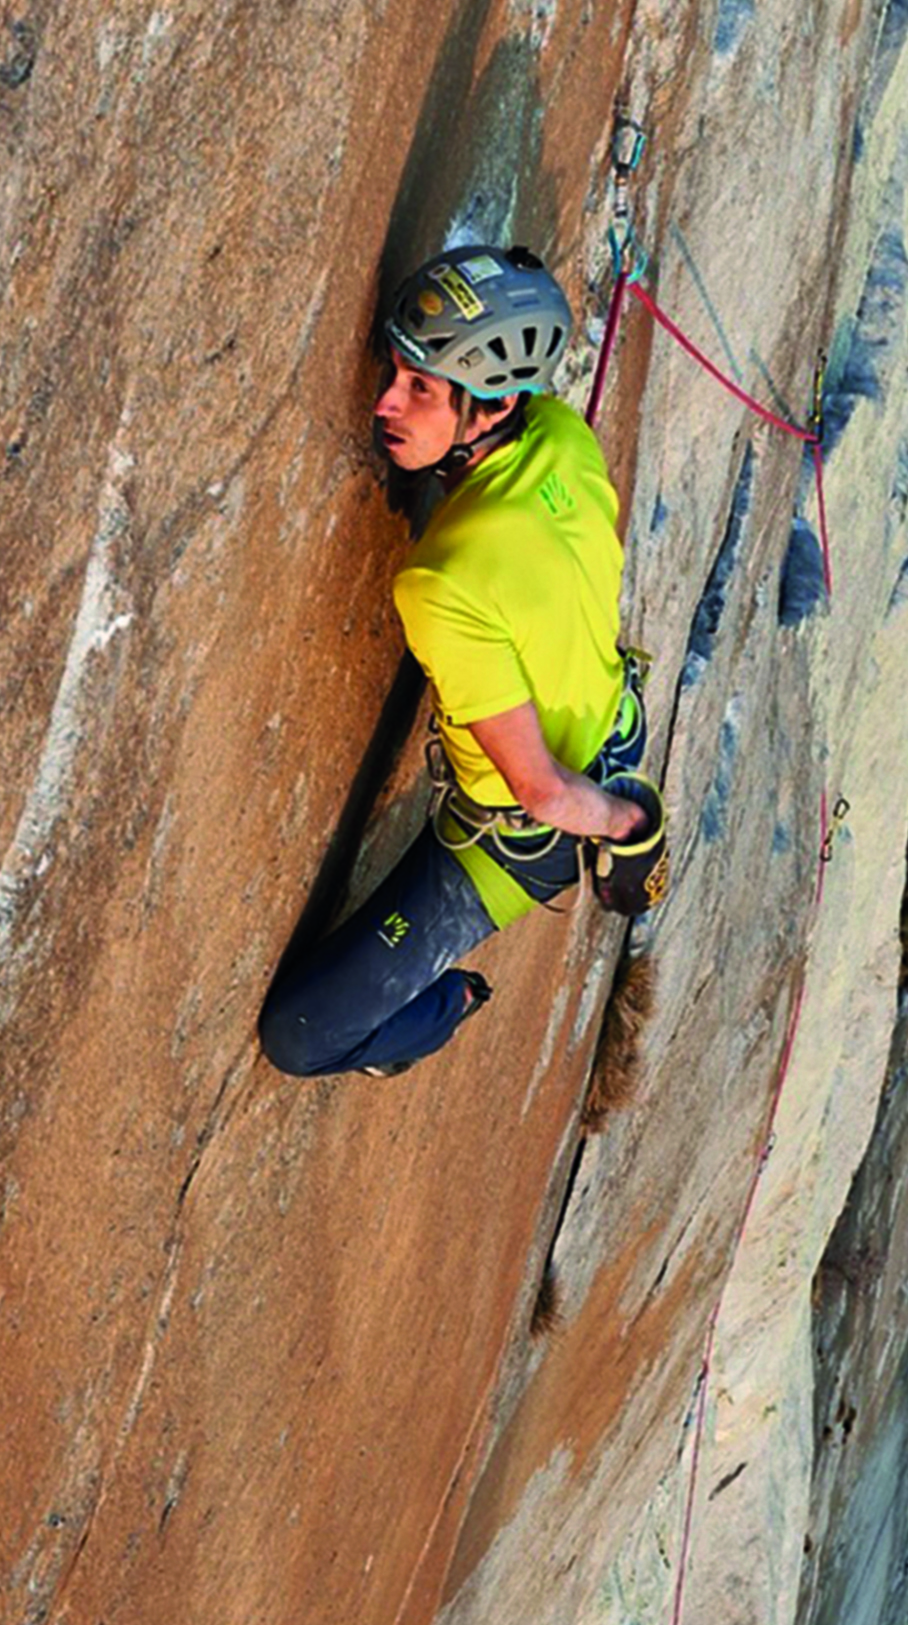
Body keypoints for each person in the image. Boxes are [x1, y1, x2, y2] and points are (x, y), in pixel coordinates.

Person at [260, 244, 665, 1079]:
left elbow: (541, 792)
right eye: (394, 373)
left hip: (521, 838)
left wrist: (629, 829)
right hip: (613, 721)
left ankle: (451, 1004)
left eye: (419, 389)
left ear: (494, 404)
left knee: (301, 1038)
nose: (384, 404)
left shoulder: (439, 584)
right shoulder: (558, 433)